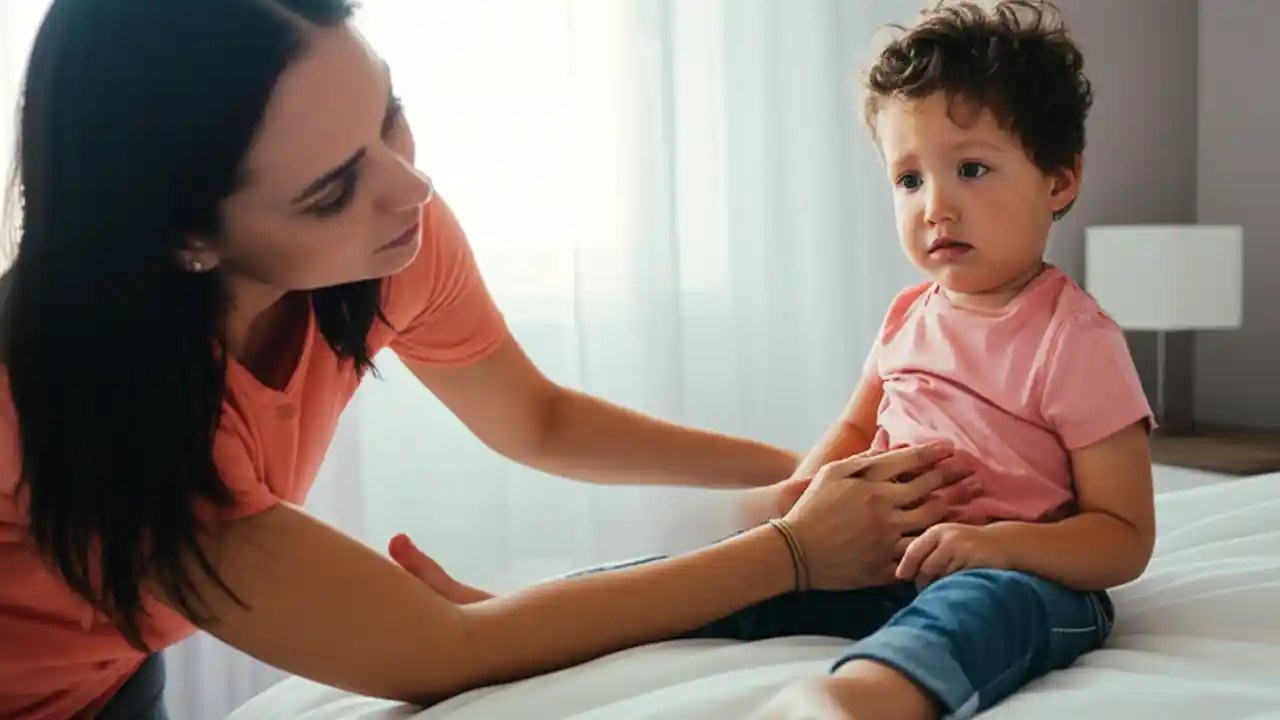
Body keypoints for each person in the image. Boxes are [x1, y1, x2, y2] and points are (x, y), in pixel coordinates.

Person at [0, 1, 979, 718]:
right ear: (184, 237)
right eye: (331, 189)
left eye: (388, 114)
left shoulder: (391, 240)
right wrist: (792, 551)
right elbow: (443, 650)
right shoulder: (80, 414)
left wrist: (807, 476)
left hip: (114, 674)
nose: (410, 187)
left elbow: (535, 419)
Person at [575, 2, 1156, 719]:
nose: (935, 206)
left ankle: (861, 696)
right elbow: (853, 431)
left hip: (1024, 575)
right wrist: (798, 507)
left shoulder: (1075, 340)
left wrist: (998, 546)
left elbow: (1124, 538)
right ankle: (551, 617)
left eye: (971, 168)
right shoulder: (908, 315)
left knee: (983, 610)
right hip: (876, 563)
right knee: (725, 578)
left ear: (1059, 181)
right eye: (909, 180)